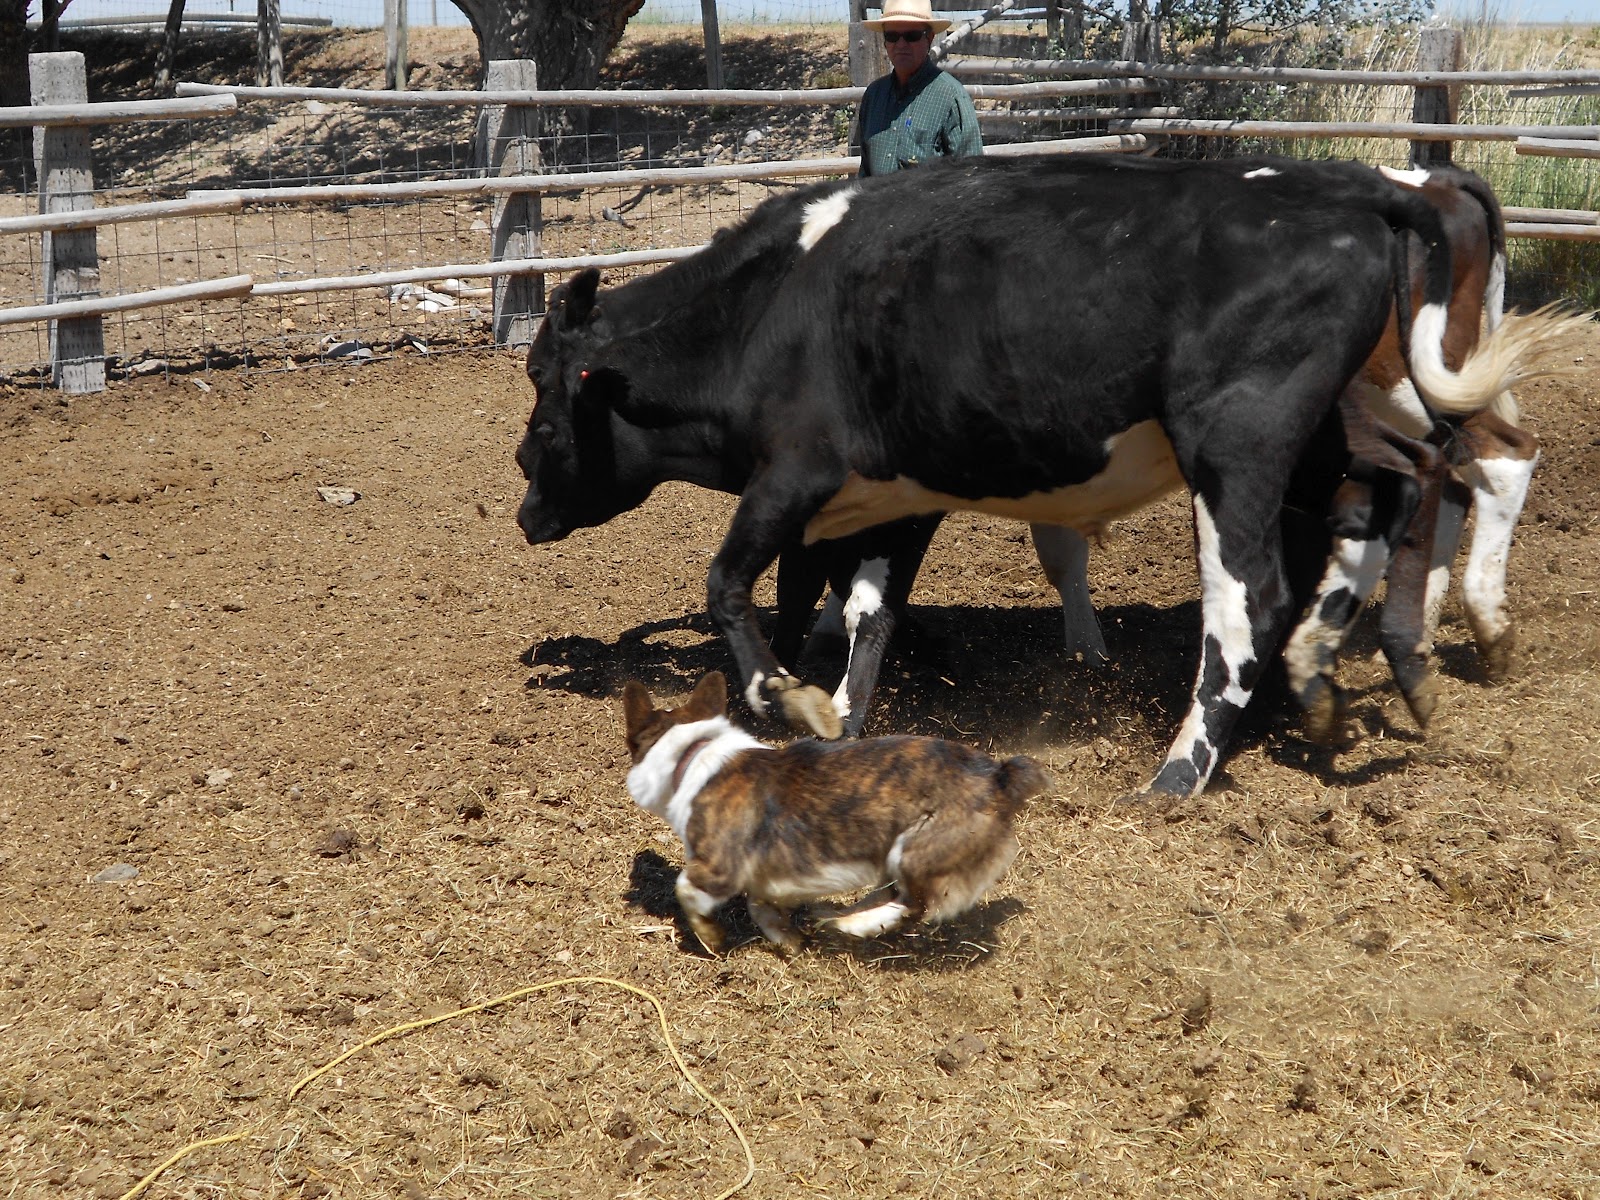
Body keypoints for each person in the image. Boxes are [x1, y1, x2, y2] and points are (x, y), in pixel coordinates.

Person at [854, 0, 983, 177]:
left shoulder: (951, 98)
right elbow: (865, 174)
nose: (900, 44)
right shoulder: (874, 96)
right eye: (892, 36)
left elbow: (971, 176)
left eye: (911, 36)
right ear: (884, 42)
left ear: (929, 38)